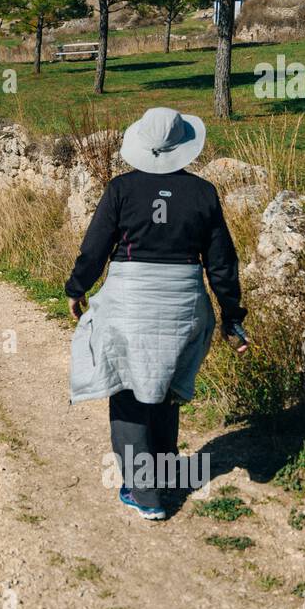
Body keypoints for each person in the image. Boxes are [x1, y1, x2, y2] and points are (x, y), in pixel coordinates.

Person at [66, 107, 249, 521]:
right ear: (183, 148)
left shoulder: (120, 190)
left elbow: (94, 249)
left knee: (128, 389)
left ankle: (144, 493)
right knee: (164, 387)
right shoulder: (203, 194)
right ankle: (162, 477)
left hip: (130, 303)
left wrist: (76, 289)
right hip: (182, 303)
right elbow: (221, 263)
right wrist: (232, 317)